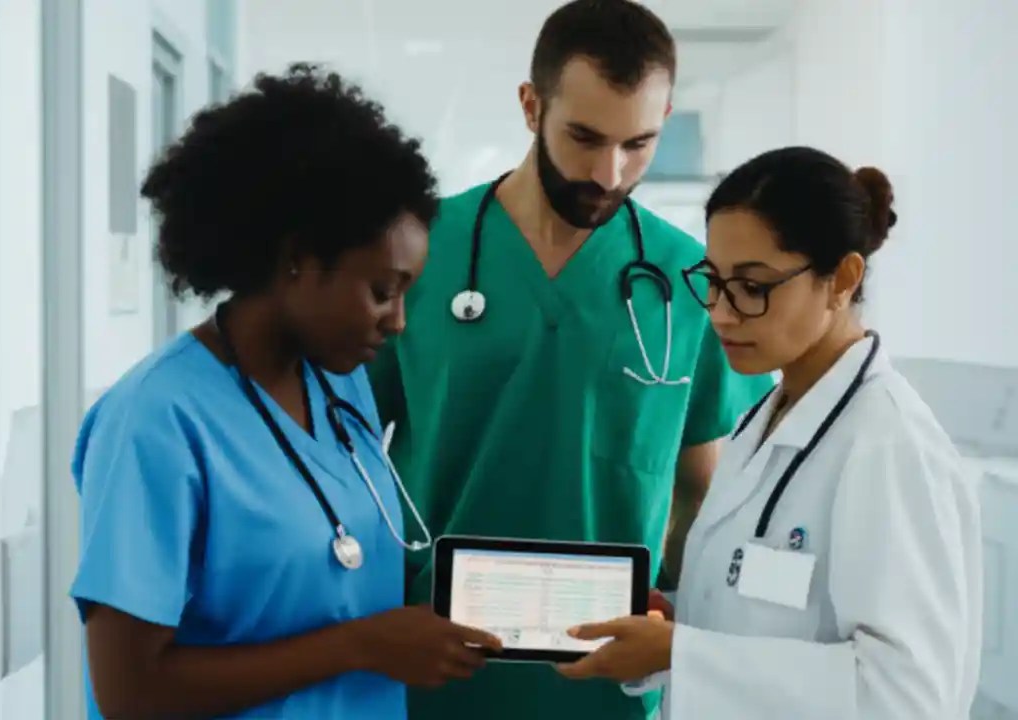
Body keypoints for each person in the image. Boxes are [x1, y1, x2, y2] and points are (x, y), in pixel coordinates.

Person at [366, 1, 772, 717]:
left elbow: (697, 495)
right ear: (531, 106)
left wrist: (694, 635)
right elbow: (349, 457)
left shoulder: (687, 283)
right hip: (435, 668)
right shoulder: (420, 250)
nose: (609, 173)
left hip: (606, 685)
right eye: (584, 138)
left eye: (638, 144)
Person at [68, 63, 503, 720]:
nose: (400, 321)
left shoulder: (341, 384)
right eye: (382, 292)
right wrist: (358, 645)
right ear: (297, 257)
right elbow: (131, 691)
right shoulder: (155, 421)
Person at [557, 146, 983, 719]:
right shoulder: (764, 419)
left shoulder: (888, 446)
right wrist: (667, 629)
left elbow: (905, 696)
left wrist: (687, 653)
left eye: (753, 287)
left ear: (842, 279)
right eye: (714, 281)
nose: (721, 313)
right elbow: (754, 617)